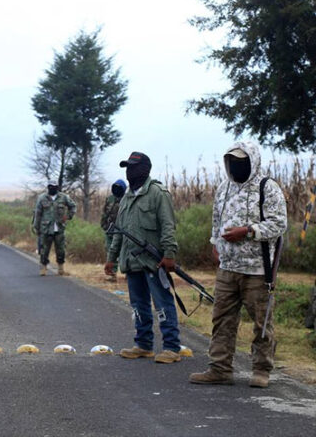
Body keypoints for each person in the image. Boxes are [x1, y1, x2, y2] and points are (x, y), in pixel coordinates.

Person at [189, 141, 287, 388]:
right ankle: (220, 368)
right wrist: (215, 243)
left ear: (253, 161)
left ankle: (261, 370)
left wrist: (248, 231)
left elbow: (278, 225)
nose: (236, 166)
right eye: (231, 161)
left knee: (261, 321)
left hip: (257, 269)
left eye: (241, 161)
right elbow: (216, 218)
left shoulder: (268, 188)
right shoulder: (224, 187)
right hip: (227, 267)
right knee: (222, 319)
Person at [105, 152, 181, 364]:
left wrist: (169, 255)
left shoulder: (158, 193)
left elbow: (168, 227)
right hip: (131, 261)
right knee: (138, 305)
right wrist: (111, 259)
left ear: (145, 169)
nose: (129, 172)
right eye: (127, 168)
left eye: (133, 167)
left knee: (163, 303)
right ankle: (143, 344)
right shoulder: (127, 197)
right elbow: (119, 231)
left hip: (153, 261)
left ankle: (172, 347)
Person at [33, 181, 76, 276]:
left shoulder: (63, 197)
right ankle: (43, 268)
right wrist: (36, 227)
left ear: (57, 187)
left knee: (61, 249)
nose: (52, 188)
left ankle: (61, 269)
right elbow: (38, 214)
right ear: (48, 187)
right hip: (46, 228)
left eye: (54, 187)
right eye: (51, 187)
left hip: (59, 228)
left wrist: (68, 216)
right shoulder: (42, 198)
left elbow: (73, 206)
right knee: (44, 249)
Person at [100, 179, 127, 282]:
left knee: (123, 252)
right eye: (115, 187)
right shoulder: (110, 199)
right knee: (110, 250)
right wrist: (103, 224)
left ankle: (128, 275)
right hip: (110, 228)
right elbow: (105, 212)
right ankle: (112, 274)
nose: (117, 190)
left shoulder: (126, 199)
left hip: (122, 230)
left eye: (119, 188)